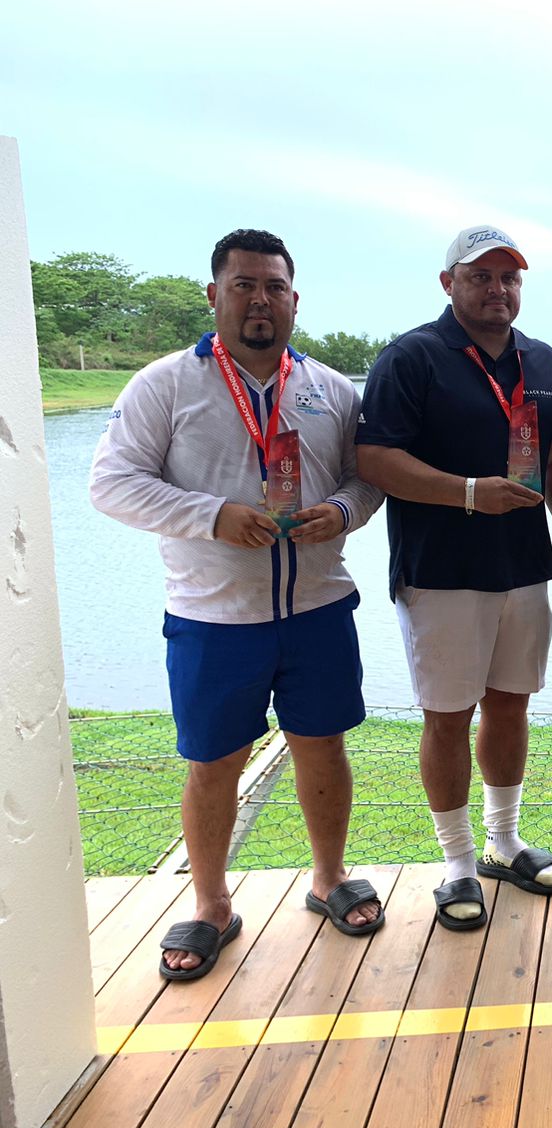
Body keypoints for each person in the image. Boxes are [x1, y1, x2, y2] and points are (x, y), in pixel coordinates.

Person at [90, 229, 384, 980]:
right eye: (245, 285)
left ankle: (327, 878)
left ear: (294, 300)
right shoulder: (165, 384)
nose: (261, 299)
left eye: (274, 287)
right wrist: (211, 514)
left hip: (318, 605)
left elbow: (367, 478)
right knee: (214, 761)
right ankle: (211, 905)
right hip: (211, 616)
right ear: (214, 294)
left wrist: (343, 514)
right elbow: (112, 484)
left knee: (324, 745)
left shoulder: (329, 387)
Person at [356, 225, 552, 931]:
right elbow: (374, 459)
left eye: (509, 277)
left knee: (512, 706)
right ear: (449, 283)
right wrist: (466, 492)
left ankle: (502, 843)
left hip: (524, 568)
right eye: (480, 276)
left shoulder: (542, 361)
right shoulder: (412, 357)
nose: (497, 290)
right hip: (441, 572)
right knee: (448, 717)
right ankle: (455, 864)